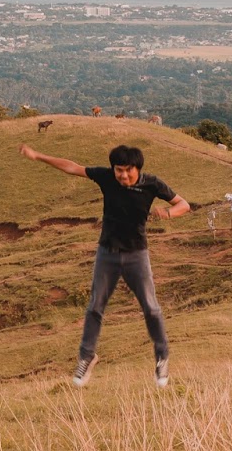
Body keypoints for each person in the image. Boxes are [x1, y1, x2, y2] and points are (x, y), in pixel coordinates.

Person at [19, 142, 191, 386]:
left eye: (128, 170)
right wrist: (38, 155)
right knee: (95, 307)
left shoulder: (152, 184)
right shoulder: (106, 177)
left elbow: (184, 204)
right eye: (118, 170)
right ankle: (87, 357)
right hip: (106, 254)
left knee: (151, 308)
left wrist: (168, 213)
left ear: (138, 169)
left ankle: (162, 357)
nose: (122, 175)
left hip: (136, 256)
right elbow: (72, 168)